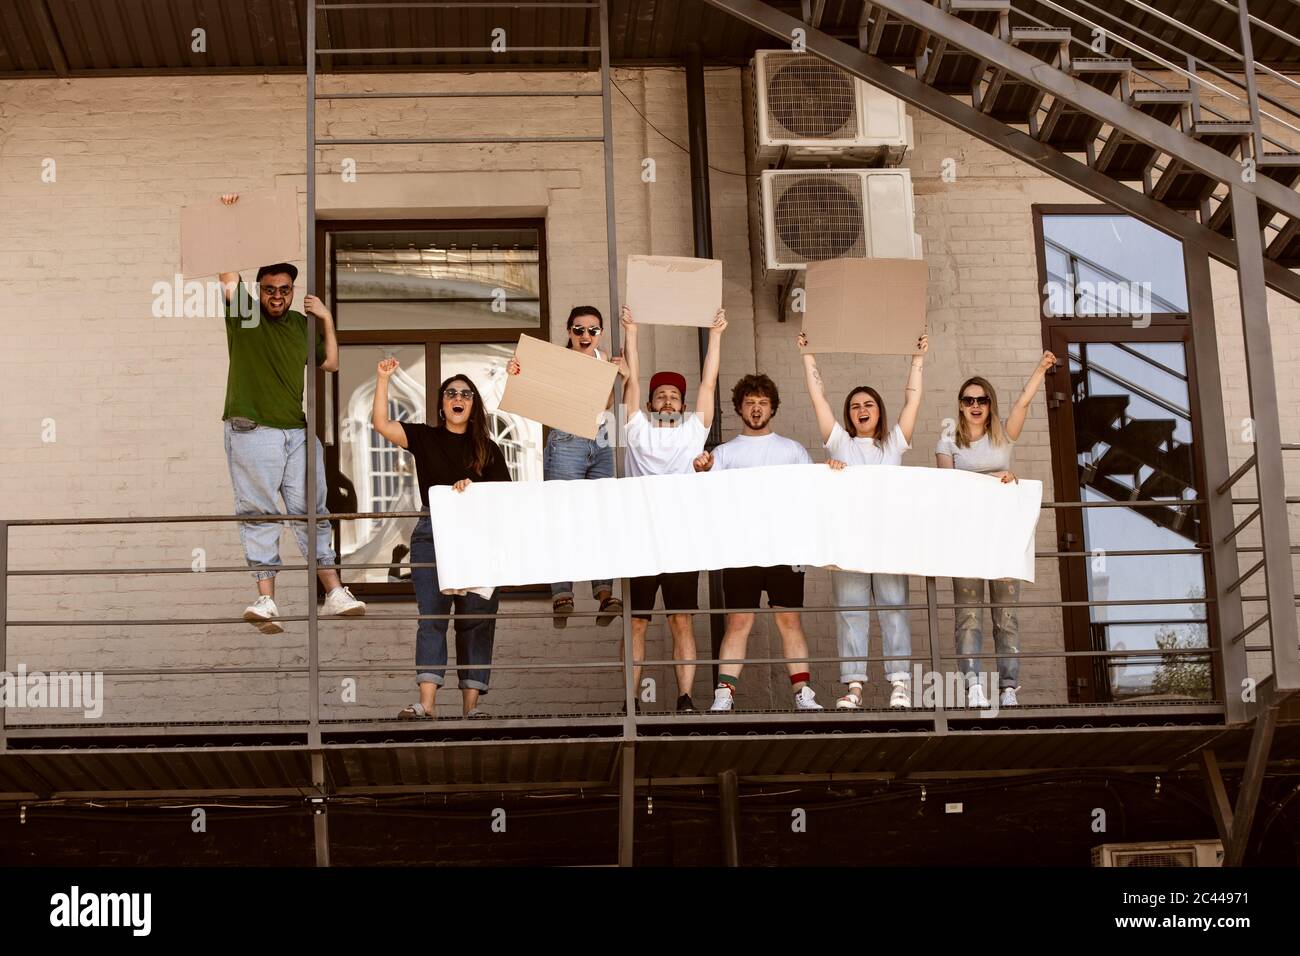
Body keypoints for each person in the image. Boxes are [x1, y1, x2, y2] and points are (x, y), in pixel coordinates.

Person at [217, 193, 365, 634]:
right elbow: (227, 276)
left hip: (295, 432)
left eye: (284, 290)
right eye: (269, 290)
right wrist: (230, 217)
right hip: (253, 429)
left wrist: (326, 319)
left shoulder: (302, 326)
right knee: (260, 512)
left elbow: (332, 364)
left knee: (312, 509)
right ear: (258, 291)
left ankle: (334, 593)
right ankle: (266, 599)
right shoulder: (245, 317)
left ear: (292, 292)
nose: (277, 296)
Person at [372, 360, 512, 719]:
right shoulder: (425, 437)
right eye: (451, 393)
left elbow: (505, 499)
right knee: (432, 616)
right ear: (442, 404)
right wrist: (383, 379)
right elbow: (382, 425)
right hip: (433, 532)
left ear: (473, 405)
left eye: (466, 394)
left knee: (476, 620)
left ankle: (471, 709)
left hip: (479, 536)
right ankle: (427, 705)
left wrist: (474, 489)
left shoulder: (489, 449)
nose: (458, 398)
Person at [799, 331, 929, 710]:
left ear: (878, 410)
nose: (861, 409)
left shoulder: (894, 444)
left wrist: (916, 359)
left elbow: (914, 398)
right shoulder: (839, 444)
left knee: (894, 611)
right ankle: (854, 686)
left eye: (868, 403)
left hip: (888, 544)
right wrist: (809, 356)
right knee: (851, 615)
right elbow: (817, 399)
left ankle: (900, 685)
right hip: (850, 545)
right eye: (855, 405)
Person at [692, 374, 824, 712]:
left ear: (772, 407)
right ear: (739, 407)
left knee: (790, 621)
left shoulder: (792, 450)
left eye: (762, 402)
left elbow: (812, 495)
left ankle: (803, 692)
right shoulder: (724, 453)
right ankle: (724, 694)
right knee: (738, 621)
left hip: (785, 548)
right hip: (742, 549)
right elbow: (706, 498)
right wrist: (702, 470)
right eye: (750, 402)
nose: (756, 408)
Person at [620, 304, 726, 713]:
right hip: (641, 541)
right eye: (661, 395)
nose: (667, 399)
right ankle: (631, 701)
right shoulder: (637, 428)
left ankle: (685, 699)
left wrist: (715, 334)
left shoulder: (694, 433)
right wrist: (632, 329)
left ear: (682, 405)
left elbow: (709, 381)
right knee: (637, 622)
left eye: (674, 396)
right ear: (651, 403)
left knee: (681, 620)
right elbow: (632, 382)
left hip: (681, 541)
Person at [936, 351, 1056, 709]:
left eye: (982, 399)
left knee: (1006, 616)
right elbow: (948, 486)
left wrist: (1041, 368)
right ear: (960, 406)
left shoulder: (1003, 436)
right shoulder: (948, 444)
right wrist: (990, 480)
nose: (975, 405)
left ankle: (1008, 687)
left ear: (990, 405)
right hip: (967, 539)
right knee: (968, 615)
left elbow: (1023, 402)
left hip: (1003, 536)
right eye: (968, 400)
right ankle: (973, 685)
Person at [508, 307, 623, 629]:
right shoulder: (554, 359)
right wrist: (515, 371)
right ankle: (562, 593)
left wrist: (621, 371)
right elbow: (529, 388)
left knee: (601, 516)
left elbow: (608, 404)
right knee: (562, 517)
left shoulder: (604, 361)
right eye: (579, 329)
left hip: (600, 440)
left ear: (600, 333)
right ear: (569, 330)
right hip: (568, 439)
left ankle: (603, 592)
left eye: (593, 330)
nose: (586, 336)